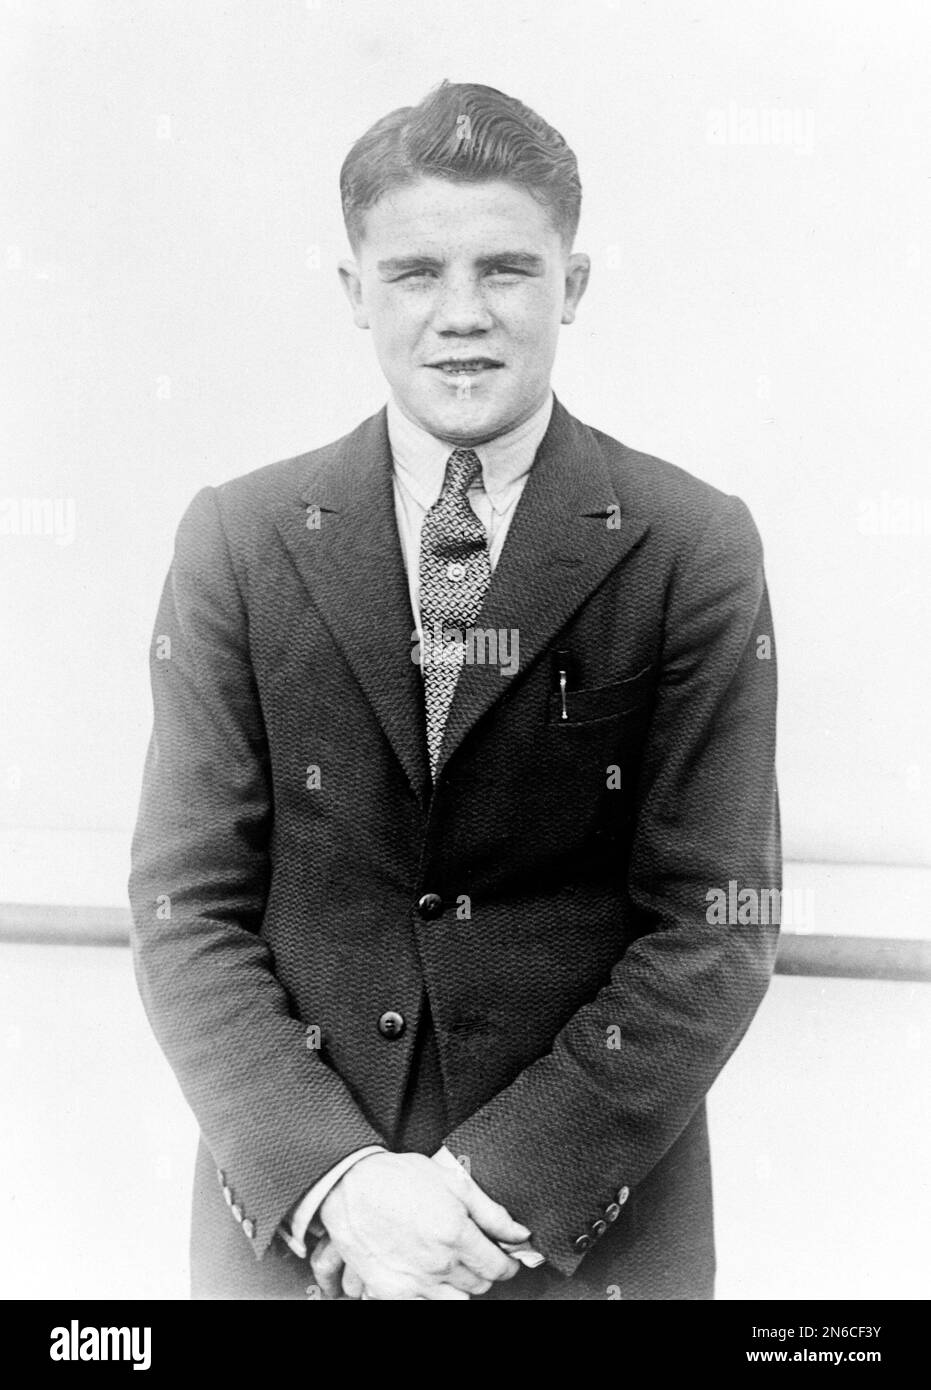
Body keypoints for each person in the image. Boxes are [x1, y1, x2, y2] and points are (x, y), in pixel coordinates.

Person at [129, 80, 781, 1301]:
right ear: (354, 292)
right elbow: (185, 904)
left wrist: (494, 1192)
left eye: (508, 271)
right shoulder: (239, 536)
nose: (461, 317)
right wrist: (341, 1186)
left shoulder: (691, 544)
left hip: (576, 1239)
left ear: (572, 286)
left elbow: (715, 921)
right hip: (303, 1240)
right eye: (416, 272)